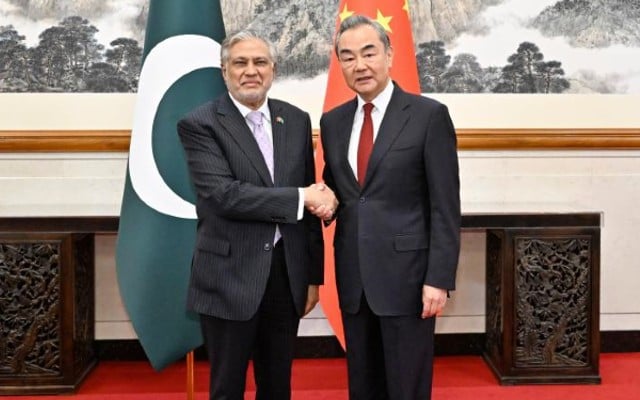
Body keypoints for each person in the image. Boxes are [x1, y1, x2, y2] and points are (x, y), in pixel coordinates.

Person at [177, 30, 337, 400]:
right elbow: (225, 196)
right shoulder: (200, 124)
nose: (251, 70)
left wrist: (312, 277)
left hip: (285, 276)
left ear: (273, 69)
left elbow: (308, 207)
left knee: (278, 385)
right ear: (224, 71)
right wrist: (301, 196)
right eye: (240, 62)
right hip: (228, 278)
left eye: (260, 62)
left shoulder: (296, 120)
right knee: (227, 387)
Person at [319, 15, 461, 400]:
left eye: (369, 53)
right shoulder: (332, 122)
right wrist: (323, 202)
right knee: (363, 386)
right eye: (347, 57)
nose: (359, 65)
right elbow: (341, 191)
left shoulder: (428, 116)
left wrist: (439, 278)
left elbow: (445, 207)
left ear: (389, 54)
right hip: (353, 277)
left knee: (406, 388)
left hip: (410, 280)